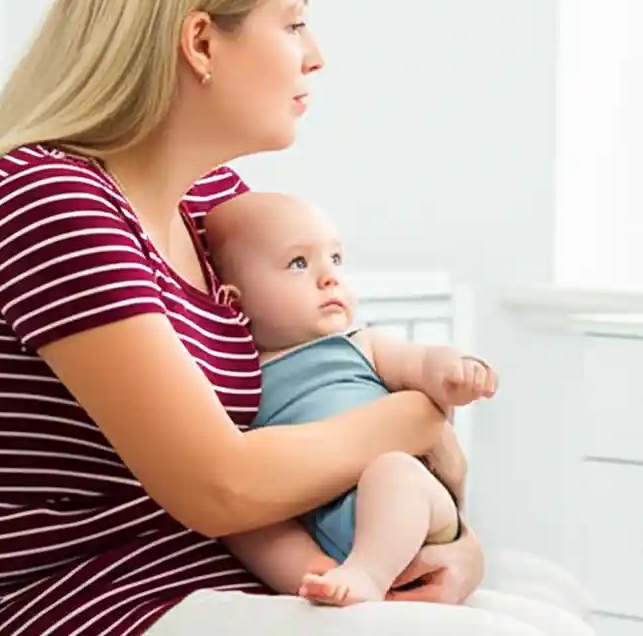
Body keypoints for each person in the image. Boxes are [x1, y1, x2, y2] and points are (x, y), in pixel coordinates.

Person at [0, 0, 591, 634]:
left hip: (248, 572)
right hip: (95, 601)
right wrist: (416, 416)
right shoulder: (47, 197)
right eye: (295, 23)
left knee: (555, 605)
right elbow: (221, 485)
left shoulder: (215, 206)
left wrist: (462, 554)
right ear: (202, 42)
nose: (317, 57)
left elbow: (323, 395)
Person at [204, 190, 494, 606]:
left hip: (415, 511)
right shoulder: (241, 381)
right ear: (235, 302)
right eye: (298, 263)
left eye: (335, 259)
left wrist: (454, 370)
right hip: (329, 532)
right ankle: (316, 577)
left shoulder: (360, 345)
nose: (329, 277)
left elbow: (422, 361)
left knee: (392, 469)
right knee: (244, 523)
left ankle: (368, 576)